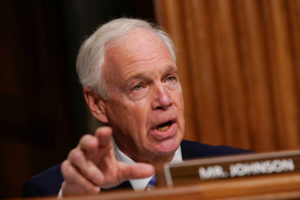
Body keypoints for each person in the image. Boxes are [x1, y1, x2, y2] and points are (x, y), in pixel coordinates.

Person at [22, 18, 251, 197]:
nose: (164, 100)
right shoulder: (52, 191)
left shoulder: (242, 170)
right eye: (139, 86)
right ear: (97, 104)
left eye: (169, 78)